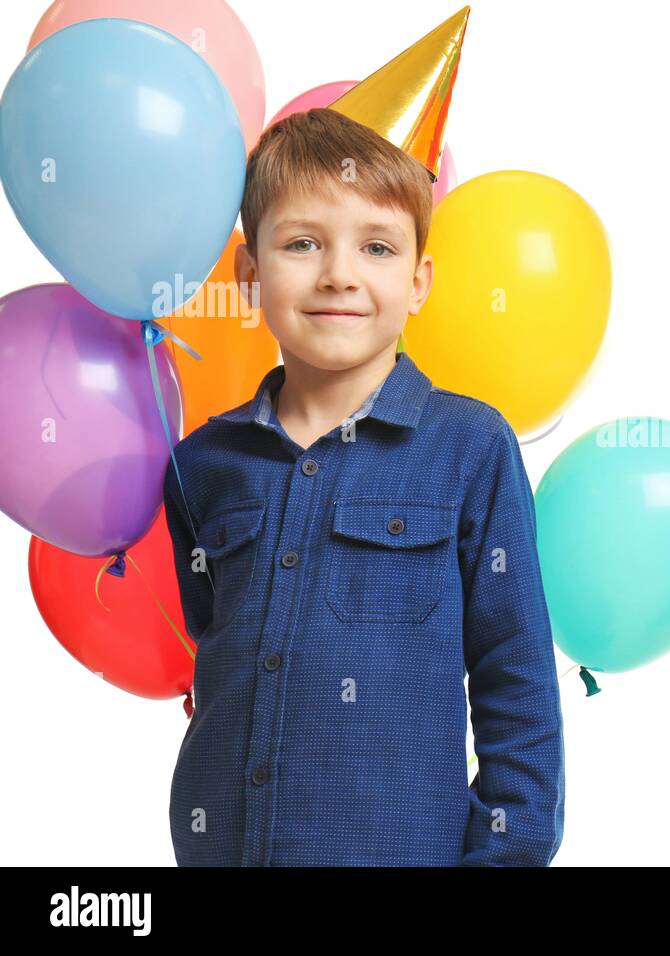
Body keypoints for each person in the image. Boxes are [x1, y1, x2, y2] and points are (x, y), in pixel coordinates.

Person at [162, 108, 564, 866]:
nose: (339, 273)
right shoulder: (202, 463)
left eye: (375, 247)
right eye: (303, 243)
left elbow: (518, 684)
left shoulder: (470, 448)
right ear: (250, 276)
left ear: (418, 282)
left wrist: (508, 850)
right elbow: (210, 639)